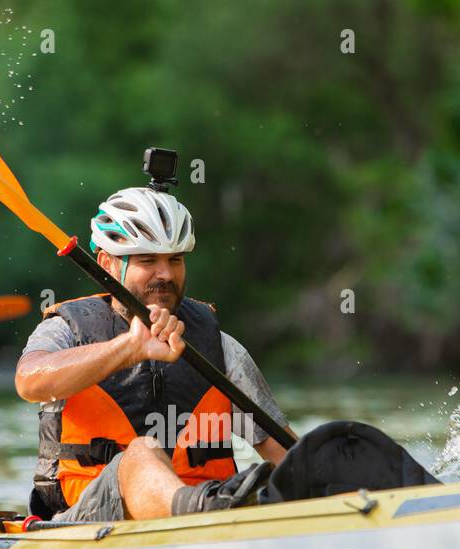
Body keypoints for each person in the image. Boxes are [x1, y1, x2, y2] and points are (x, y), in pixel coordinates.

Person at [16, 187, 294, 522]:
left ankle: (205, 511)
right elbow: (28, 382)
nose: (165, 274)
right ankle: (196, 511)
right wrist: (128, 349)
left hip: (210, 514)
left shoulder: (220, 347)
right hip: (86, 518)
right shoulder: (66, 331)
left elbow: (282, 451)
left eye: (175, 260)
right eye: (147, 260)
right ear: (107, 263)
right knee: (143, 451)